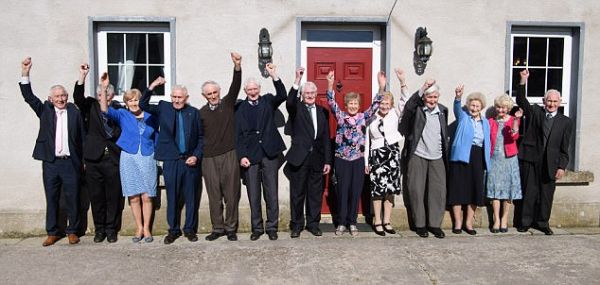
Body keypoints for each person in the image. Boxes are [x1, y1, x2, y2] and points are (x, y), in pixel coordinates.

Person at [19, 57, 85, 246]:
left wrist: (84, 161)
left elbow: (82, 138)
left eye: (63, 95)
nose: (61, 99)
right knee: (52, 197)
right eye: (57, 96)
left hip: (70, 162)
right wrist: (25, 73)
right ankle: (53, 232)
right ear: (51, 99)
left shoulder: (75, 112)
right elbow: (28, 97)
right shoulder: (45, 110)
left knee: (73, 197)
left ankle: (73, 231)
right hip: (51, 162)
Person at [140, 79, 204, 244]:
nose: (176, 100)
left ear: (186, 97)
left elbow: (201, 138)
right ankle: (173, 230)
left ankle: (189, 229)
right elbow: (143, 104)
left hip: (190, 161)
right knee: (172, 196)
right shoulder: (164, 108)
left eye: (180, 97)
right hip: (171, 160)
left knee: (191, 197)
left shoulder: (194, 113)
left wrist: (196, 155)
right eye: (174, 97)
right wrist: (152, 86)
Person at [99, 73, 160, 243]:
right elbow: (104, 109)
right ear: (126, 103)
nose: (133, 103)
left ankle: (147, 228)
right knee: (133, 195)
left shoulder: (151, 117)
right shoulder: (122, 115)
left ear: (141, 100)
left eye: (136, 100)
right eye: (130, 100)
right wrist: (104, 89)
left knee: (147, 196)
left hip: (148, 157)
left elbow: (157, 137)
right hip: (129, 158)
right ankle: (138, 227)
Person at [516, 69, 573, 235]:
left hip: (552, 163)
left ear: (560, 102)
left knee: (547, 195)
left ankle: (542, 223)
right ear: (544, 101)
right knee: (529, 193)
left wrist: (562, 166)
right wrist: (522, 81)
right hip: (532, 160)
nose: (552, 104)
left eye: (555, 101)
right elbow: (521, 100)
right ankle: (525, 222)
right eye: (549, 101)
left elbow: (565, 147)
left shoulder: (566, 122)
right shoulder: (536, 112)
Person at [326, 70, 382, 237]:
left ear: (358, 105)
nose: (353, 106)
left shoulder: (364, 117)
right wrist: (330, 84)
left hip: (357, 160)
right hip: (342, 159)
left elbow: (375, 106)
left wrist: (381, 86)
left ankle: (352, 223)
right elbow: (331, 102)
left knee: (355, 192)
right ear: (346, 104)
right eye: (350, 103)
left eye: (355, 104)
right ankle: (341, 223)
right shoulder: (341, 117)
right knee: (342, 192)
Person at [73, 64, 124, 243]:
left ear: (112, 96)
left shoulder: (119, 110)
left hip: (113, 159)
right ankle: (99, 229)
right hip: (93, 159)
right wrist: (82, 76)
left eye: (109, 96)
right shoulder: (90, 105)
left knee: (113, 196)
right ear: (98, 96)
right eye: (103, 95)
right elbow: (77, 97)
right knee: (96, 196)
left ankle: (111, 229)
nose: (106, 99)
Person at [235, 63, 287, 241]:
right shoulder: (239, 108)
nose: (253, 91)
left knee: (271, 193)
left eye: (255, 88)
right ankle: (257, 228)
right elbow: (238, 136)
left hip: (270, 154)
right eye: (249, 89)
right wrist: (242, 156)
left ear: (259, 88)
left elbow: (283, 95)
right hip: (250, 156)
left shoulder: (267, 101)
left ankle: (272, 227)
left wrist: (274, 75)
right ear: (245, 90)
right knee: (254, 195)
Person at [284, 67, 331, 238]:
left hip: (317, 160)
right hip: (299, 159)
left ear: (316, 94)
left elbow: (325, 137)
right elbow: (289, 101)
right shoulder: (296, 108)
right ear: (302, 94)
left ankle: (313, 224)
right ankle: (296, 225)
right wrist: (297, 80)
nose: (310, 95)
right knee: (297, 194)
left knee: (315, 194)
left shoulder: (322, 112)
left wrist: (327, 160)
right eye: (307, 93)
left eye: (312, 92)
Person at [200, 52, 242, 242]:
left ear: (219, 91)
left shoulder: (228, 103)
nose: (213, 96)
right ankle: (217, 228)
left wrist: (237, 66)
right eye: (209, 94)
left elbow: (236, 85)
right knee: (214, 196)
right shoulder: (200, 113)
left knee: (231, 195)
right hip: (208, 158)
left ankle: (231, 228)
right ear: (204, 96)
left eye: (215, 92)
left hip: (229, 154)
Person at [399, 79, 449, 238]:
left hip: (437, 156)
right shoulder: (417, 110)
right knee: (416, 190)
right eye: (429, 97)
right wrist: (423, 88)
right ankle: (420, 225)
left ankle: (435, 224)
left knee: (438, 192)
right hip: (418, 155)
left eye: (435, 97)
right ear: (424, 98)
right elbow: (408, 106)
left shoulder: (442, 111)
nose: (432, 100)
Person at [364, 69, 408, 236]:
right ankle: (378, 221)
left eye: (387, 103)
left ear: (391, 104)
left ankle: (387, 221)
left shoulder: (395, 114)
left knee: (390, 189)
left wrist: (402, 81)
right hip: (376, 155)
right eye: (382, 103)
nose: (384, 106)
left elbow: (405, 100)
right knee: (377, 189)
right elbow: (367, 141)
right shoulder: (372, 116)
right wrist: (366, 162)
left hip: (392, 154)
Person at [446, 86, 491, 235]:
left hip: (477, 157)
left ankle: (468, 223)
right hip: (461, 156)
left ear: (481, 107)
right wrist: (458, 97)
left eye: (477, 106)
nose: (474, 108)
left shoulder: (485, 122)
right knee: (457, 189)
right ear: (468, 105)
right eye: (472, 105)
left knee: (474, 190)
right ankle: (458, 223)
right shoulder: (463, 117)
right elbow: (457, 108)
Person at [487, 94, 523, 233]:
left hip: (509, 159)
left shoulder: (514, 120)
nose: (500, 110)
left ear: (508, 108)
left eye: (503, 107)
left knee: (508, 191)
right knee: (495, 191)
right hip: (495, 158)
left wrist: (516, 120)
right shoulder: (490, 121)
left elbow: (514, 135)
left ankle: (504, 219)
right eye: (498, 107)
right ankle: (496, 219)